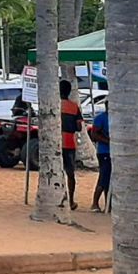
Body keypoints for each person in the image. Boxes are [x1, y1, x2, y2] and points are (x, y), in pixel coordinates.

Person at [58, 80, 82, 210]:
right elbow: (79, 127)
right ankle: (71, 200)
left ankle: (58, 198)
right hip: (69, 143)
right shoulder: (74, 107)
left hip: (56, 143)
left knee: (56, 171)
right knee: (70, 174)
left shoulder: (54, 105)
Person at [88, 103, 112, 212]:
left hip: (113, 152)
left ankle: (109, 204)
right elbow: (94, 134)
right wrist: (108, 142)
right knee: (103, 177)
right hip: (104, 152)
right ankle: (95, 203)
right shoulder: (101, 118)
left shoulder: (116, 118)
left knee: (110, 179)